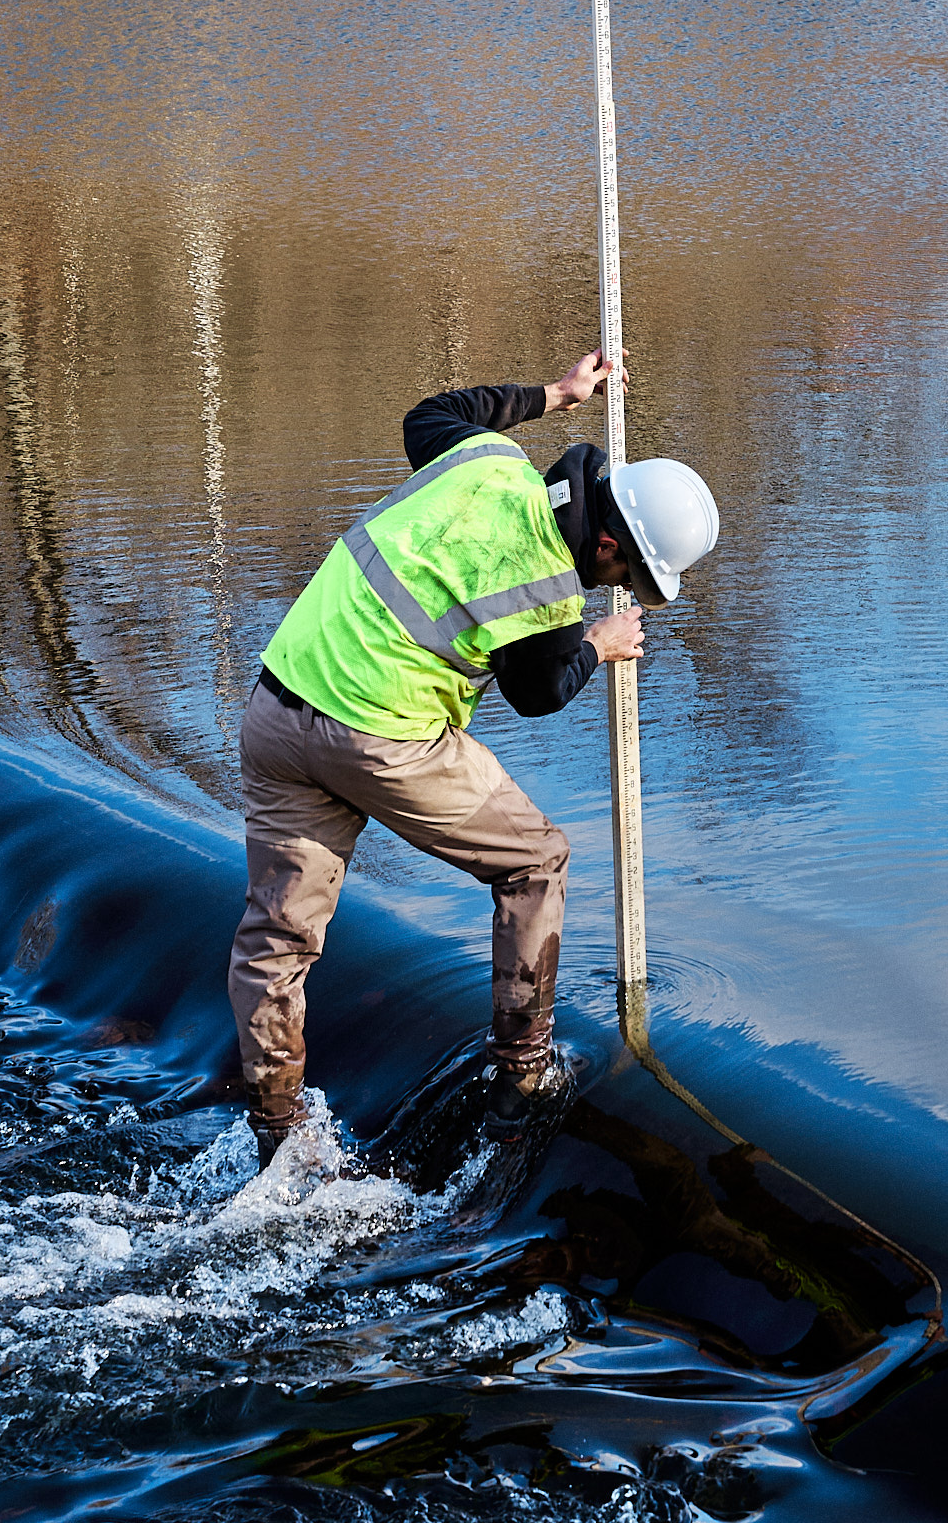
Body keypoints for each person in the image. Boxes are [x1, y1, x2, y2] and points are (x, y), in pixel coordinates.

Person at [228, 348, 719, 1165]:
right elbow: (538, 693)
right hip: (380, 738)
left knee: (275, 942)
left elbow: (429, 413)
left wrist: (555, 394)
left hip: (277, 707)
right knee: (536, 864)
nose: (618, 588)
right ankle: (521, 1075)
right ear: (605, 543)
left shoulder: (485, 460)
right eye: (626, 573)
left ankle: (279, 1136)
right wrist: (597, 645)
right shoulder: (551, 599)